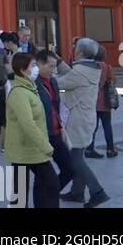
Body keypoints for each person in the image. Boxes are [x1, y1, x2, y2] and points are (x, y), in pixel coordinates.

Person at [56, 38, 111, 208]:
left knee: (75, 159)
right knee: (78, 156)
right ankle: (77, 192)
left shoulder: (80, 72)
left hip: (77, 119)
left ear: (79, 52)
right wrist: (58, 62)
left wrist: (43, 73)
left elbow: (60, 85)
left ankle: (97, 192)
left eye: (75, 47)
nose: (73, 49)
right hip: (85, 118)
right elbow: (72, 79)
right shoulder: (91, 68)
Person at [4, 52, 58, 208]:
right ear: (22, 69)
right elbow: (27, 123)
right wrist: (45, 146)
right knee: (46, 184)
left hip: (31, 148)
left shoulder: (30, 87)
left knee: (39, 186)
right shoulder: (19, 93)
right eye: (33, 65)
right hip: (25, 150)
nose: (36, 69)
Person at [34, 50, 75, 192]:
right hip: (41, 134)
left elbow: (56, 105)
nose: (53, 70)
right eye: (50, 66)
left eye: (54, 66)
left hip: (56, 131)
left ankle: (50, 194)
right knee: (42, 176)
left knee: (70, 168)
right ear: (39, 64)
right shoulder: (33, 84)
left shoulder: (53, 81)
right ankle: (45, 198)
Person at [85, 45, 118, 159]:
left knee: (93, 126)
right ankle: (110, 149)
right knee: (107, 125)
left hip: (92, 100)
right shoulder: (107, 67)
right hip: (104, 100)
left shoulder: (89, 67)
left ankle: (89, 148)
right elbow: (113, 80)